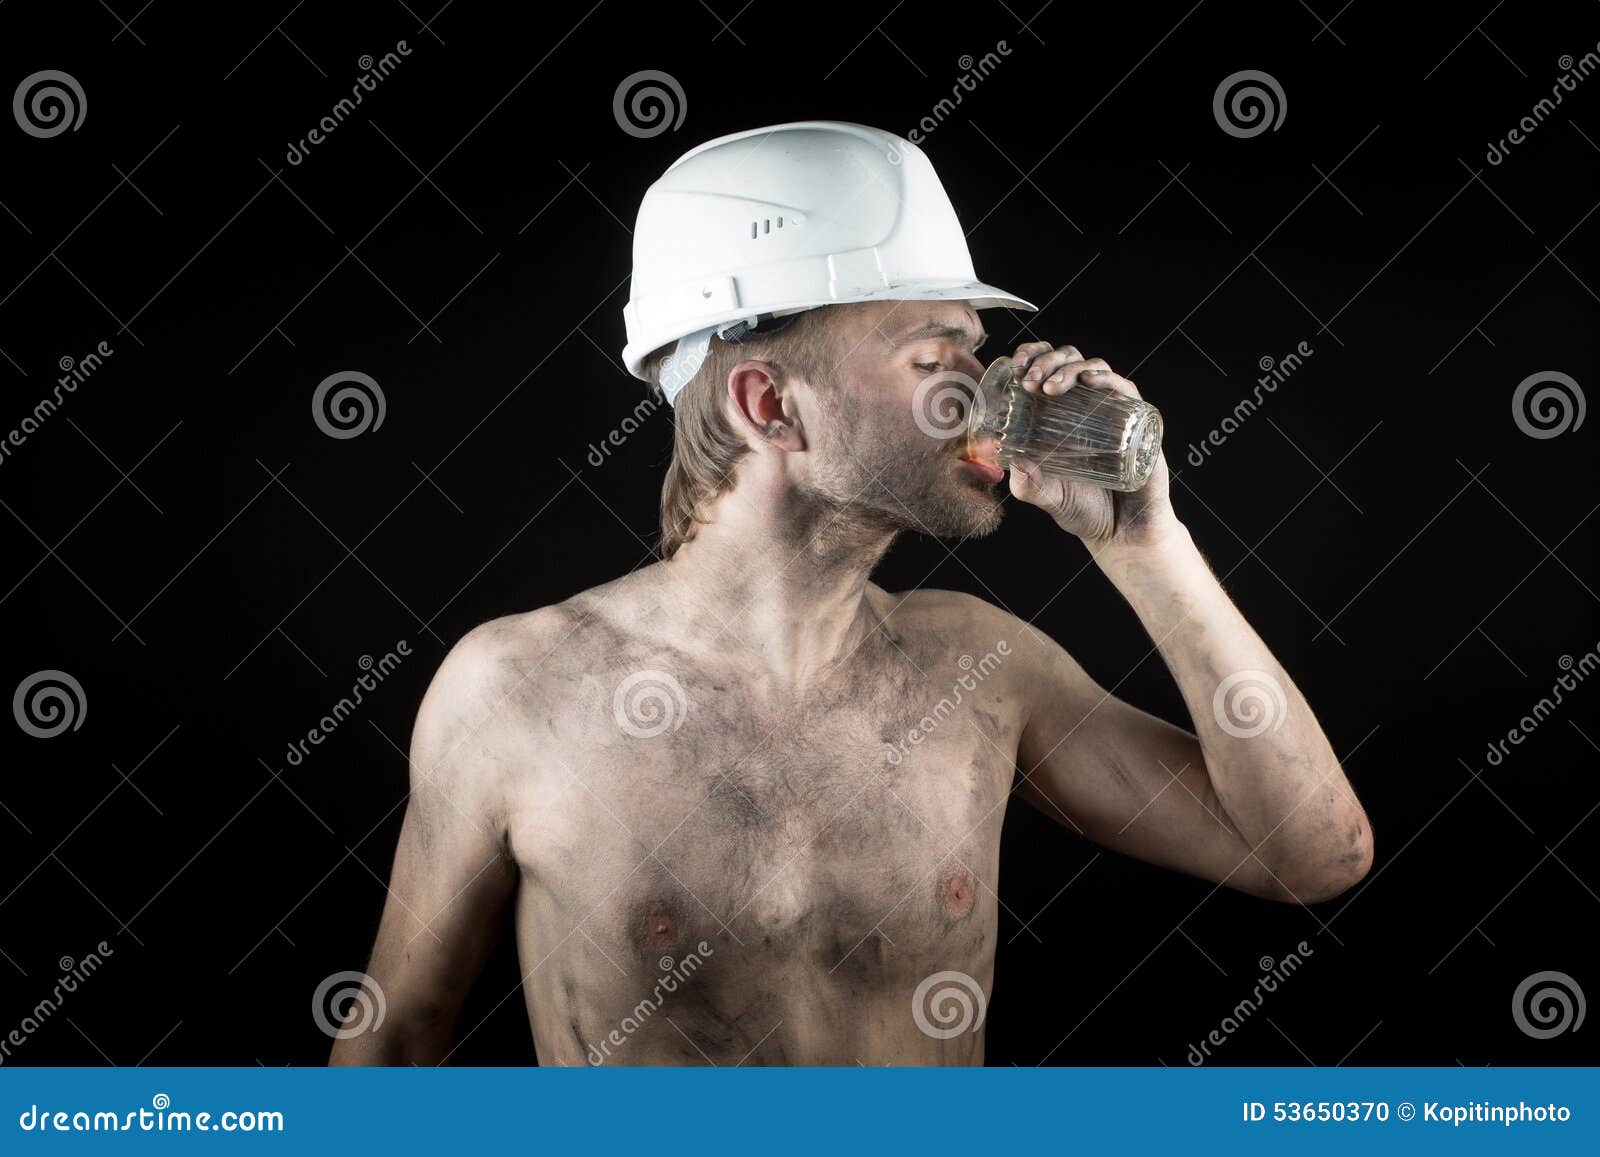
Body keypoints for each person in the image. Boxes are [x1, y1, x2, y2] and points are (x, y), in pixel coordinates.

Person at [330, 121, 1372, 1067]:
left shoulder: (979, 667)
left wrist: (1147, 543)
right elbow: (396, 1038)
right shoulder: (518, 691)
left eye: (978, 346)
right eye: (938, 356)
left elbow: (1312, 856)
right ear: (768, 402)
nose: (994, 387)